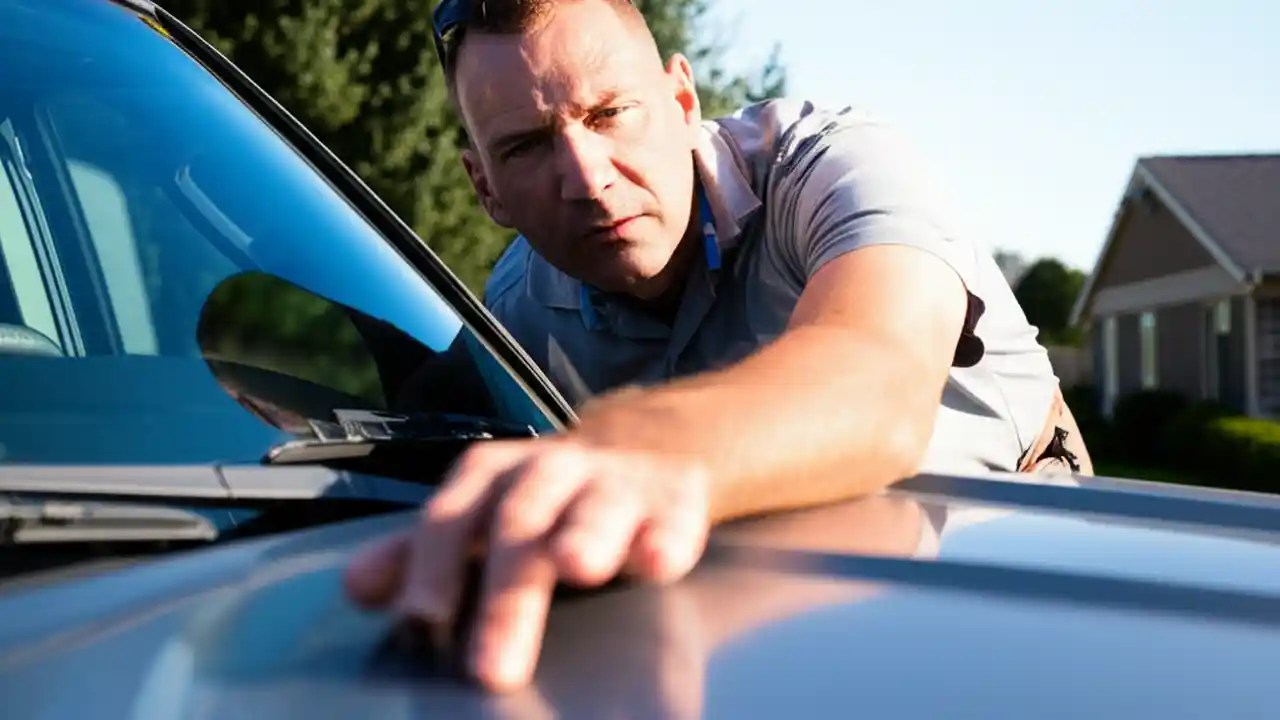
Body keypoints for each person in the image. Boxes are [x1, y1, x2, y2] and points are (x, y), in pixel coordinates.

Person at [343, 0, 1093, 693]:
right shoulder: (513, 317)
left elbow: (880, 383)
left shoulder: (834, 164)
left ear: (680, 102)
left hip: (1025, 567)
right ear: (485, 188)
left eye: (609, 114)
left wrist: (640, 442)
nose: (586, 178)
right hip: (742, 630)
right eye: (527, 147)